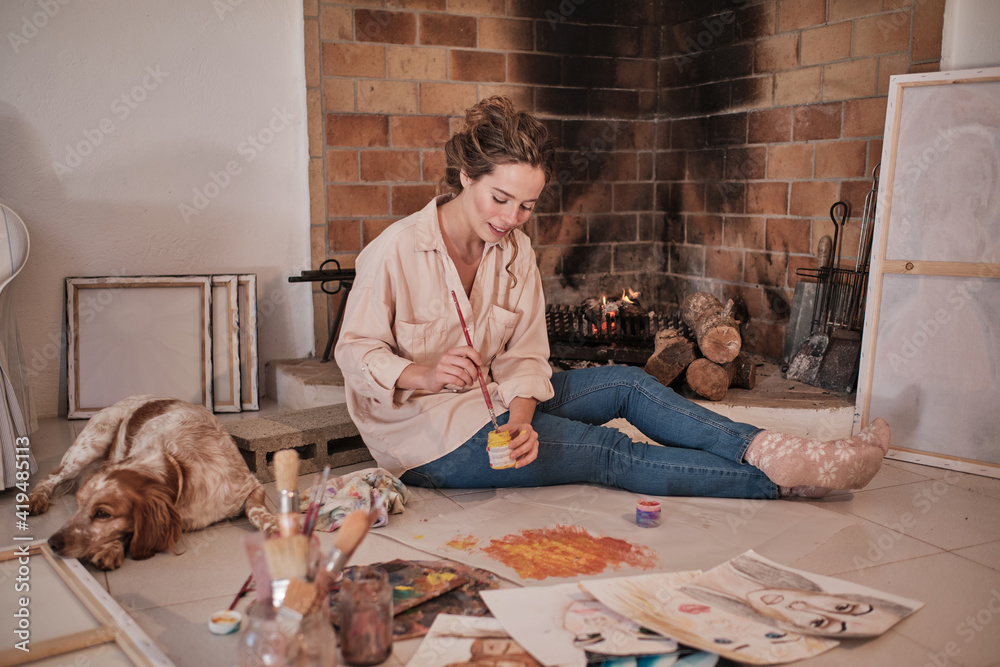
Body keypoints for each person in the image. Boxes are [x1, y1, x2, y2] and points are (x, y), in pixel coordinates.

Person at [334, 96, 890, 501]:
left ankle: (776, 450)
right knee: (608, 453)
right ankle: (783, 484)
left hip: (497, 403)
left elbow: (526, 357)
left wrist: (524, 417)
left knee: (626, 382)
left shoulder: (515, 251)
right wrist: (424, 376)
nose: (511, 219)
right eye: (500, 198)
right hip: (427, 440)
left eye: (526, 205)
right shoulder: (396, 251)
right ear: (465, 177)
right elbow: (353, 353)